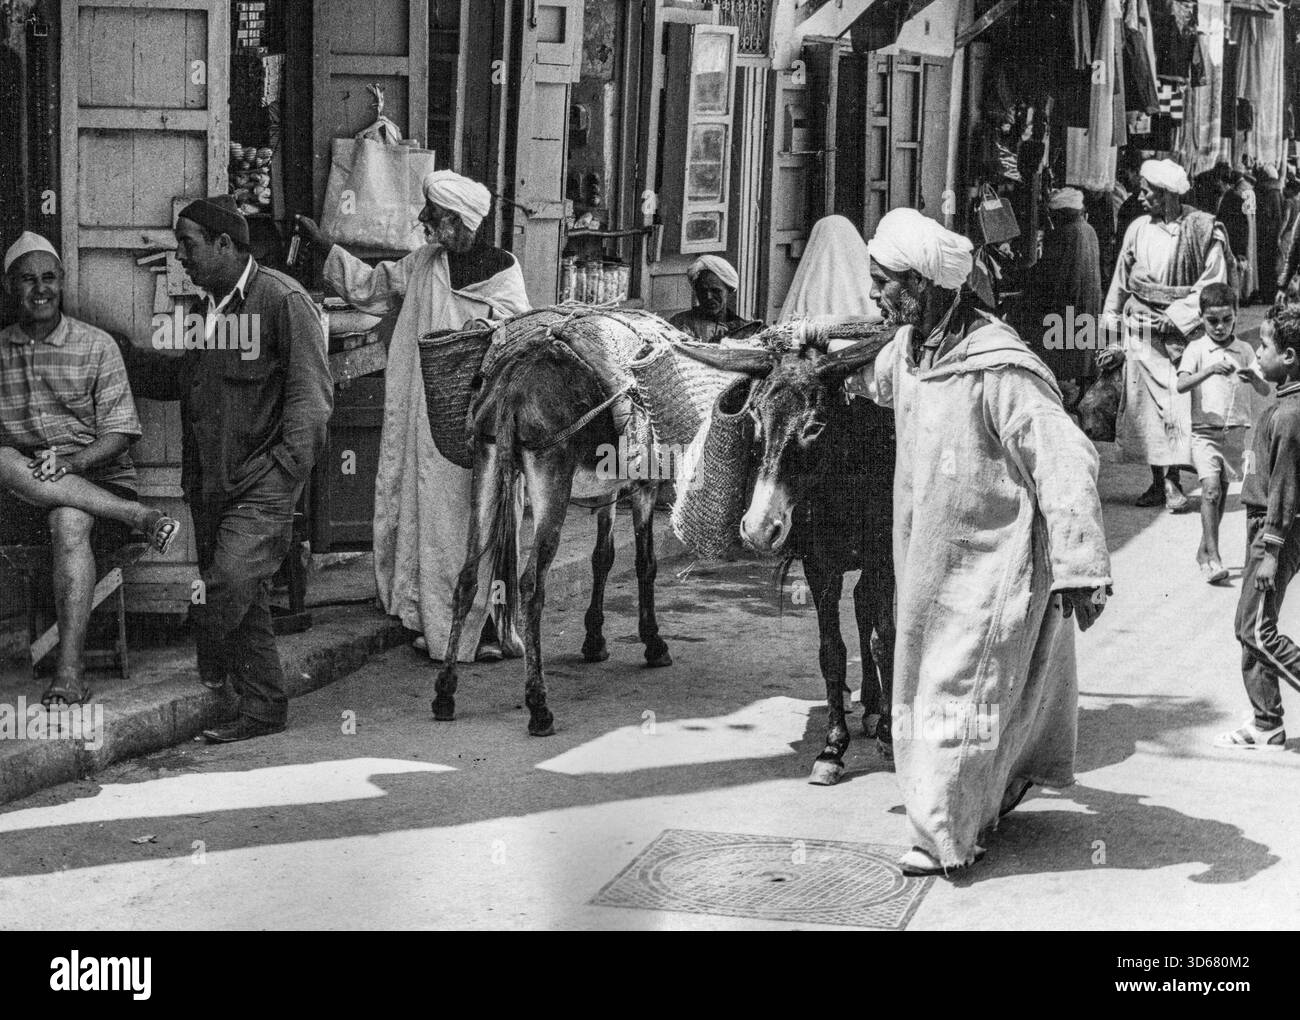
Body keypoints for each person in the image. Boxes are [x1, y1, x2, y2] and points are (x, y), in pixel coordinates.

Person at [832, 207, 1112, 876]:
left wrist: (1079, 562)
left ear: (924, 286)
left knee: (958, 694)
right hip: (928, 561)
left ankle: (942, 837)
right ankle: (974, 807)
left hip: (994, 563)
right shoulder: (908, 352)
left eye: (882, 282)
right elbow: (868, 382)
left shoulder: (1000, 367)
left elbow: (1065, 457)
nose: (874, 295)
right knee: (932, 691)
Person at [118, 196, 333, 743]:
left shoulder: (283, 301)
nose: (180, 256)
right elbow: (177, 382)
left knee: (229, 581)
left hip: (264, 483)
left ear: (223, 245)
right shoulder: (203, 312)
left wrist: (286, 474)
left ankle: (211, 656)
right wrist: (113, 351)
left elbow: (312, 399)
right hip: (209, 484)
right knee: (249, 598)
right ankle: (263, 708)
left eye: (187, 244)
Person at [297, 171, 530, 663]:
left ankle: (478, 628)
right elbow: (373, 287)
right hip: (427, 419)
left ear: (464, 223)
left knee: (477, 520)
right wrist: (327, 251)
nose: (424, 222)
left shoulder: (503, 274)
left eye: (435, 216)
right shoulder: (426, 262)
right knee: (433, 519)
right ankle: (440, 620)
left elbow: (515, 343)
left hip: (479, 425)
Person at [0, 232, 179, 707]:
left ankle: (70, 671)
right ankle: (134, 515)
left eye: (49, 278)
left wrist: (71, 462)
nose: (40, 289)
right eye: (27, 280)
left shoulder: (97, 345)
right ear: (9, 287)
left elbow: (120, 433)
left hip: (97, 471)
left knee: (70, 518)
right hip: (21, 484)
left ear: (61, 283)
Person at [1099, 158, 1230, 513]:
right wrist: (1111, 328)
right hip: (1140, 334)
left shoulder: (1202, 229)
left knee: (1176, 405)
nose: (1140, 197)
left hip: (1179, 336)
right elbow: (1121, 282)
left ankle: (1174, 480)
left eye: (1147, 192)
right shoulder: (1138, 228)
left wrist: (1173, 319)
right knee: (1146, 413)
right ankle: (1158, 482)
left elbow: (1212, 284)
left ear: (1169, 194)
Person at [1216, 305, 1300, 751]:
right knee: (1250, 625)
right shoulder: (1286, 401)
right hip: (1267, 529)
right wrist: (1259, 383)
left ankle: (1268, 720)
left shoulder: (1289, 416)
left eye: (1264, 347)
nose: (1257, 353)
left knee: (1255, 631)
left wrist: (1271, 551)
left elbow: (1285, 489)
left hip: (1273, 533)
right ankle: (1267, 721)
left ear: (1288, 355)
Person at [1175, 283, 1269, 583]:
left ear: (1236, 316)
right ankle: (1214, 559)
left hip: (1236, 432)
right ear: (1201, 318)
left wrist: (1252, 376)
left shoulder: (1244, 350)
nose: (1219, 326)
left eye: (1226, 319)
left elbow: (1265, 387)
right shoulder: (1197, 349)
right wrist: (1210, 370)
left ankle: (1204, 550)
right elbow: (1181, 384)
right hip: (1205, 431)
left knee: (1220, 493)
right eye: (1212, 320)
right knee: (1211, 491)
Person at [1017, 187, 1103, 400]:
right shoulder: (1089, 230)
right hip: (1087, 304)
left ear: (1062, 213)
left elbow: (1049, 275)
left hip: (1067, 307)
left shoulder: (1062, 234)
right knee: (1081, 357)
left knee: (1059, 360)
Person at [668, 256, 760, 342]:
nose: (708, 297)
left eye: (716, 291)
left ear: (729, 290)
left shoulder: (744, 330)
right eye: (702, 291)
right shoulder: (679, 323)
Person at [1256, 165, 1284, 303]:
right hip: (1272, 234)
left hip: (1268, 235)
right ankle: (1268, 294)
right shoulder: (1277, 191)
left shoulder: (1270, 192)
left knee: (1266, 265)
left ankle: (1267, 295)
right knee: (1270, 265)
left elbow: (1270, 216)